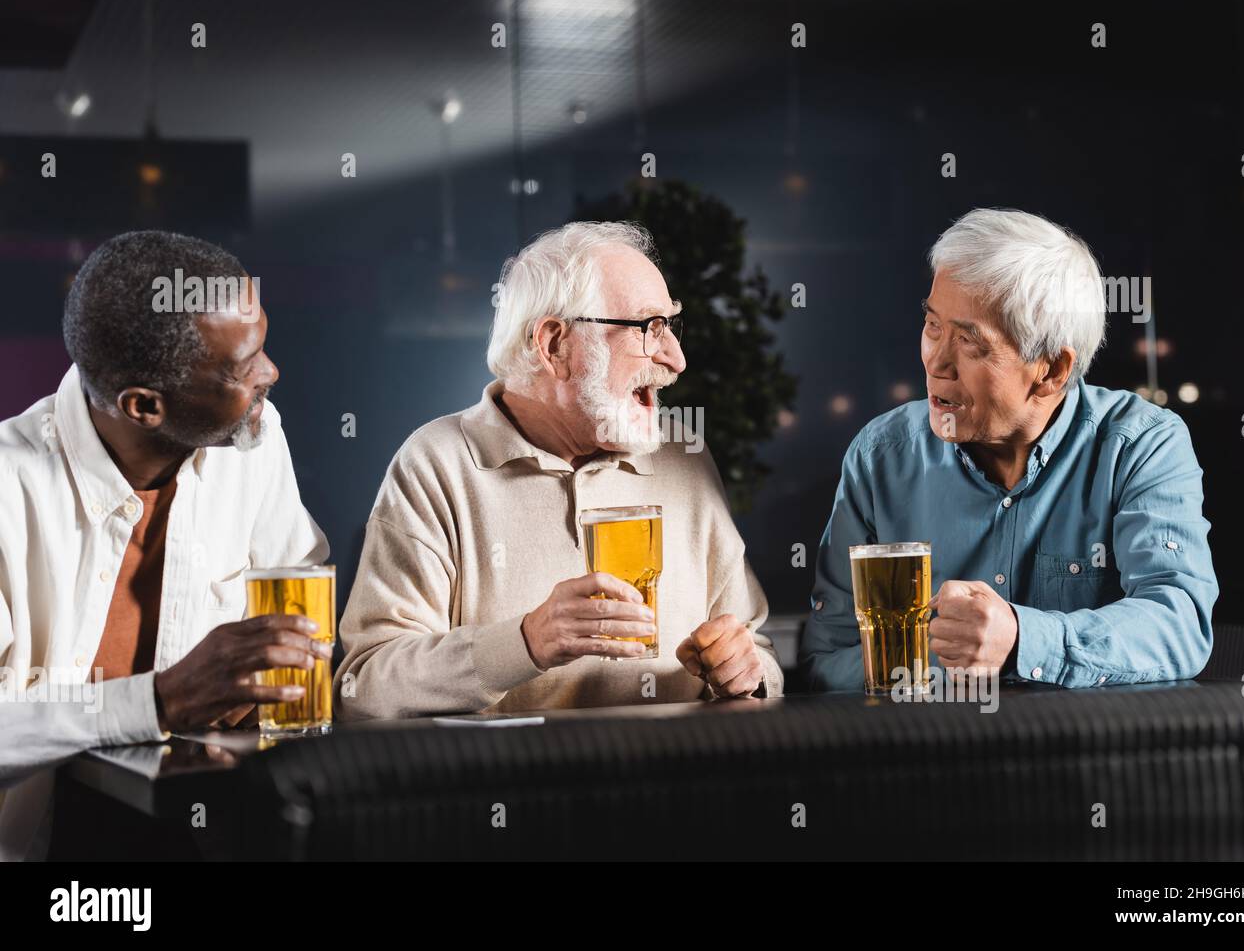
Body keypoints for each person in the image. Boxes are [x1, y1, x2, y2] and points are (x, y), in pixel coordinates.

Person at [336, 221, 781, 717]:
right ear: (554, 345)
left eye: (669, 326)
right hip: (509, 789)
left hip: (672, 784)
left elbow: (759, 653)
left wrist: (749, 671)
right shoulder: (437, 463)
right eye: (647, 328)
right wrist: (526, 642)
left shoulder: (683, 454)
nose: (675, 359)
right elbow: (366, 688)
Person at [0, 231, 327, 859]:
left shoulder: (253, 438)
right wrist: (159, 700)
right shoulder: (10, 491)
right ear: (145, 405)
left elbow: (300, 593)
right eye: (243, 367)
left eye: (262, 344)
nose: (271, 374)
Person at [800, 208, 1218, 691]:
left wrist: (1021, 639)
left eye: (971, 342)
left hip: (1085, 758)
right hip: (927, 759)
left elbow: (1179, 624)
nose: (936, 361)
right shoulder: (881, 456)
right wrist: (947, 668)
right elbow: (827, 661)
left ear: (1052, 370)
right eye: (933, 325)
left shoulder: (1141, 444)